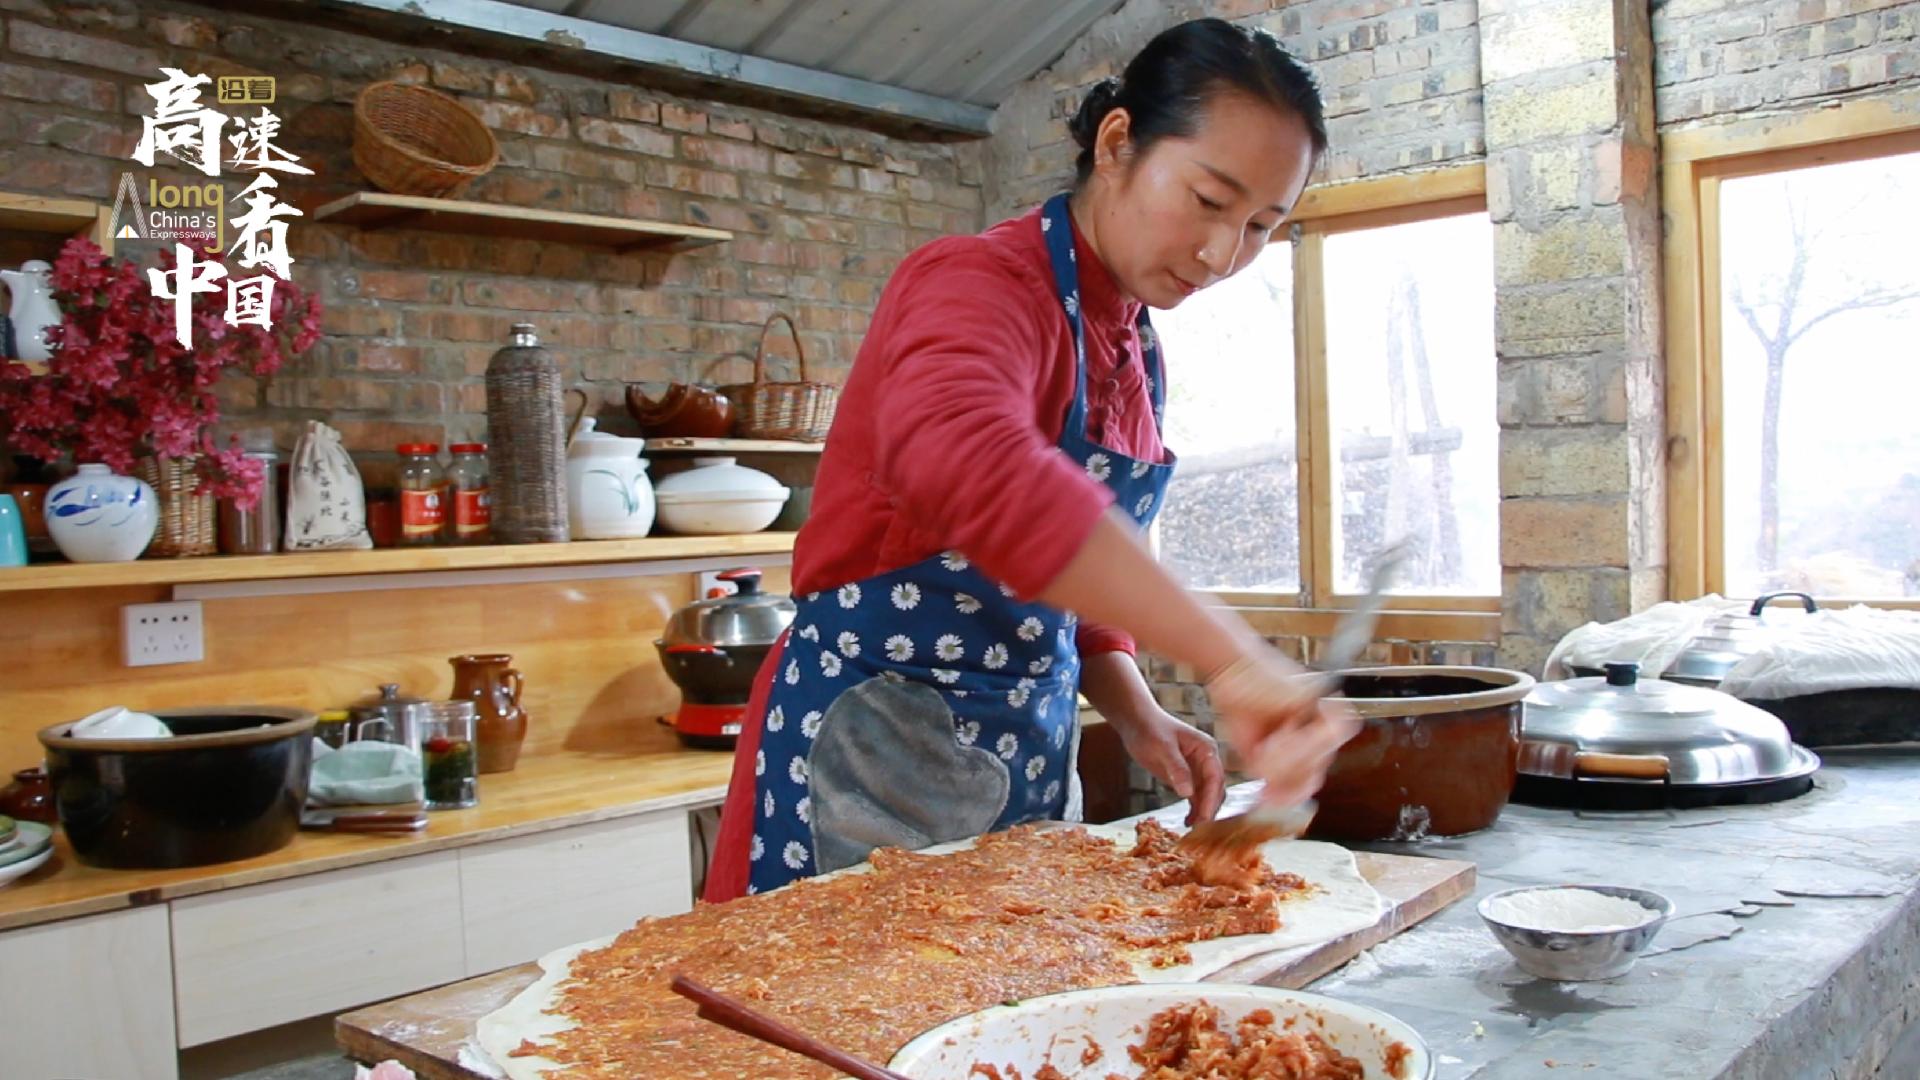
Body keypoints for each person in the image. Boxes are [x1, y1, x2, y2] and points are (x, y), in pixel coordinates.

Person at [705, 17, 1359, 901]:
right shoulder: (976, 284)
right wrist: (1232, 659)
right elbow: (980, 469)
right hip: (868, 750)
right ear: (1119, 141)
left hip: (1027, 758)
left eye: (1259, 226)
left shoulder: (1131, 341)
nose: (1221, 253)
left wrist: (1135, 710)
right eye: (1209, 201)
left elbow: (1070, 573)